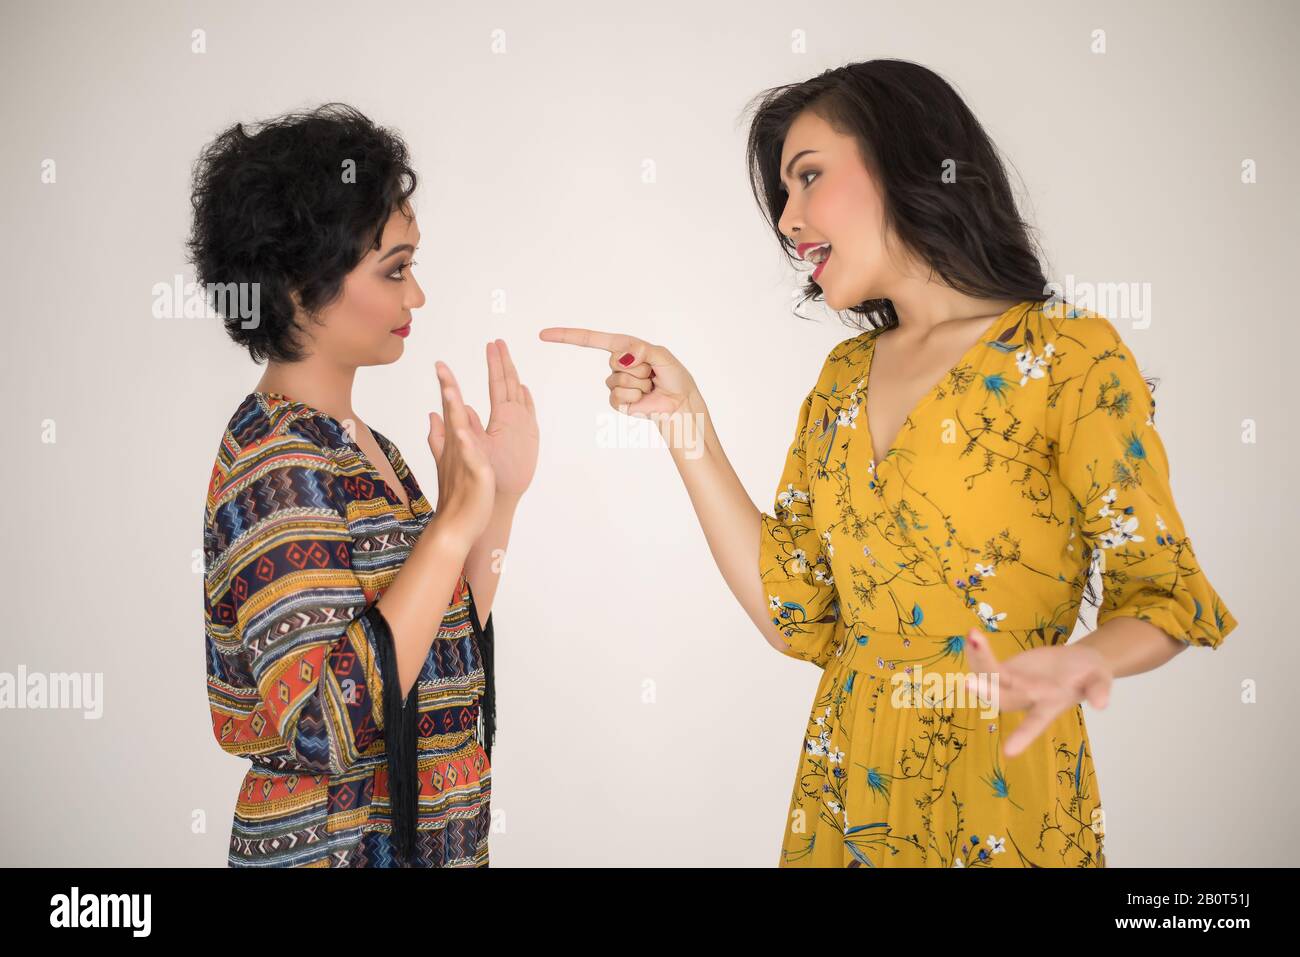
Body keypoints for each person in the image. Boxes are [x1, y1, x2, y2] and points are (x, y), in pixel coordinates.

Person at [539, 59, 1238, 867]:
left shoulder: (1070, 358)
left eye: (808, 178)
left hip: (1001, 785)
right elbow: (794, 611)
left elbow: (1165, 593)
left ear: (905, 159)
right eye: (783, 194)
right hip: (847, 782)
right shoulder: (842, 379)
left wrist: (1081, 662)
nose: (788, 218)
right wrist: (684, 422)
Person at [192, 103, 539, 867]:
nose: (416, 297)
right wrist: (450, 523)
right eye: (395, 269)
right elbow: (323, 724)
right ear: (295, 285)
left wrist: (499, 501)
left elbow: (437, 640)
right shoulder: (274, 464)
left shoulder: (364, 448)